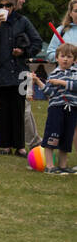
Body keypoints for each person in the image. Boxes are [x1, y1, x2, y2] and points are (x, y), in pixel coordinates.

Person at [0, 0, 41, 156]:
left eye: (7, 5)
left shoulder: (23, 21)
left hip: (19, 72)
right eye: (0, 5)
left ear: (13, 6)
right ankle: (5, 145)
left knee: (19, 108)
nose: (4, 8)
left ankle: (20, 146)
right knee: (2, 108)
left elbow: (37, 42)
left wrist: (23, 51)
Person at [32, 43, 77, 173]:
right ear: (57, 58)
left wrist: (61, 83)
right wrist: (38, 82)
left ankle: (63, 166)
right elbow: (49, 93)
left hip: (72, 109)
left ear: (74, 59)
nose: (65, 59)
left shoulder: (75, 72)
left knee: (67, 137)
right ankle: (50, 166)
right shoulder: (53, 74)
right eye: (62, 56)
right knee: (52, 135)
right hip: (56, 109)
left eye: (69, 57)